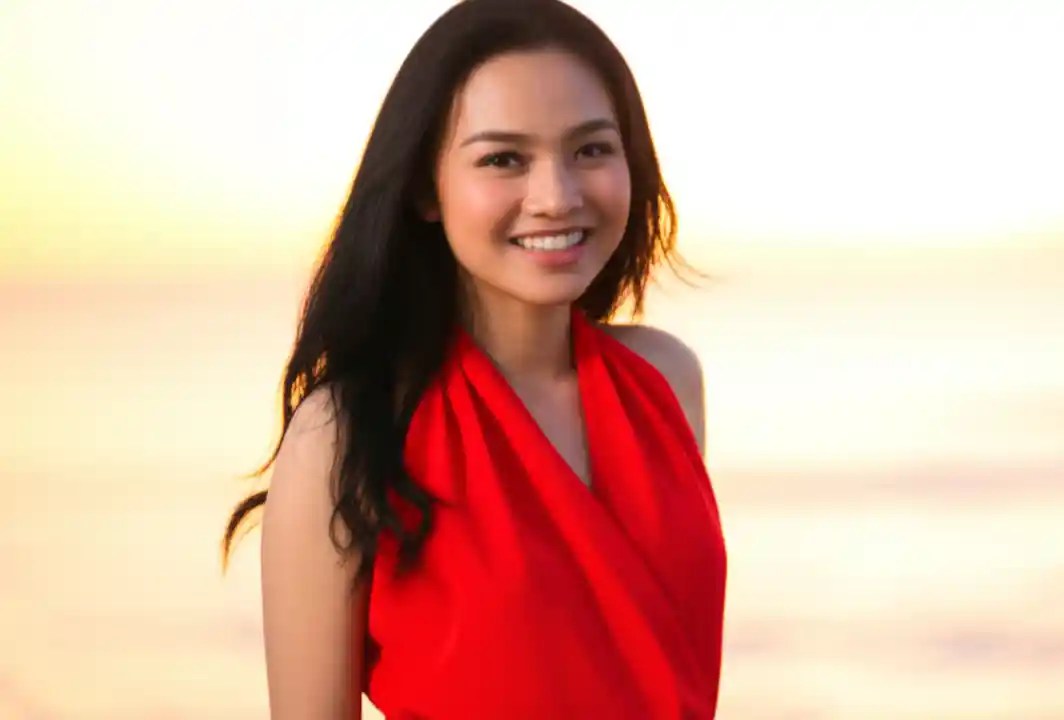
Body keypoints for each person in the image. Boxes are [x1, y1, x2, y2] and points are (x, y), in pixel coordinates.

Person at [219, 0, 728, 717]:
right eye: (503, 159)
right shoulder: (343, 433)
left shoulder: (667, 381)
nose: (556, 196)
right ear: (428, 187)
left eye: (590, 149)